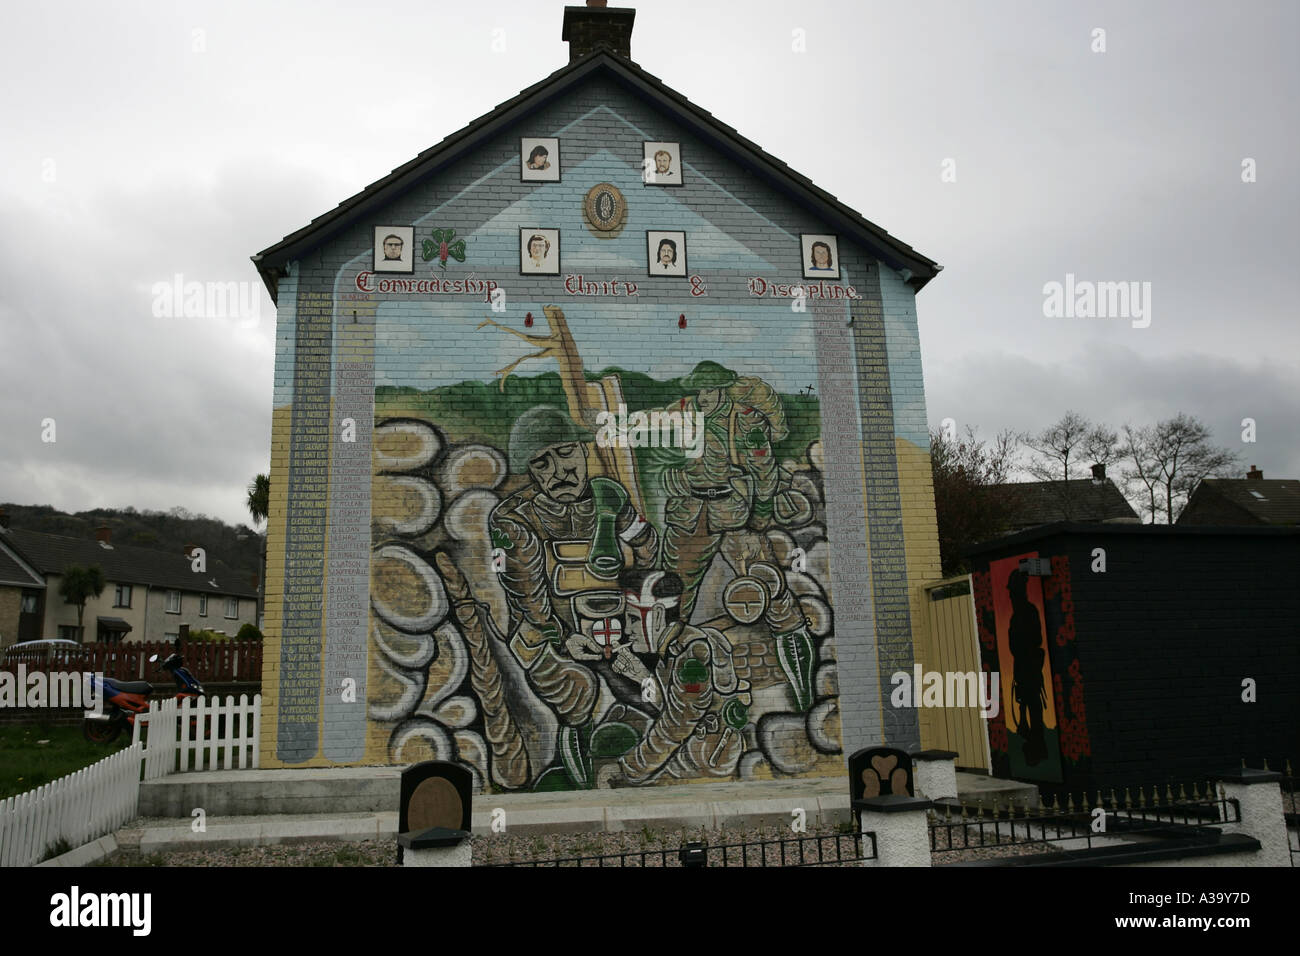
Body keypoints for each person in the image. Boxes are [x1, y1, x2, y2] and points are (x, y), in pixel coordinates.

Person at [654, 361, 818, 711]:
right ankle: (663, 676)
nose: (703, 397)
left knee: (770, 586)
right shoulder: (680, 417)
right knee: (670, 594)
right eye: (699, 390)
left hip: (734, 514)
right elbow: (656, 462)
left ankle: (802, 677)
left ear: (723, 390)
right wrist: (681, 481)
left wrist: (759, 517)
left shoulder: (746, 421)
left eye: (710, 390)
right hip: (689, 516)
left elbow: (763, 472)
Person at [488, 406, 658, 731]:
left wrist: (640, 606)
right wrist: (563, 637)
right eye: (541, 462)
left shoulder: (607, 496)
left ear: (583, 449)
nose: (559, 470)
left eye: (565, 453)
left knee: (652, 695)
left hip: (616, 630)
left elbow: (647, 545)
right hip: (553, 643)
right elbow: (530, 597)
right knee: (583, 704)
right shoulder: (514, 519)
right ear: (531, 471)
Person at [1006, 568, 1048, 764]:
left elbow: (1035, 640)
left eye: (1013, 592)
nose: (1012, 596)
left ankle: (1038, 745)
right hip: (1023, 667)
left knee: (1033, 705)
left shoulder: (1027, 612)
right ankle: (1034, 741)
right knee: (1025, 704)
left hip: (1028, 666)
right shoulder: (1019, 615)